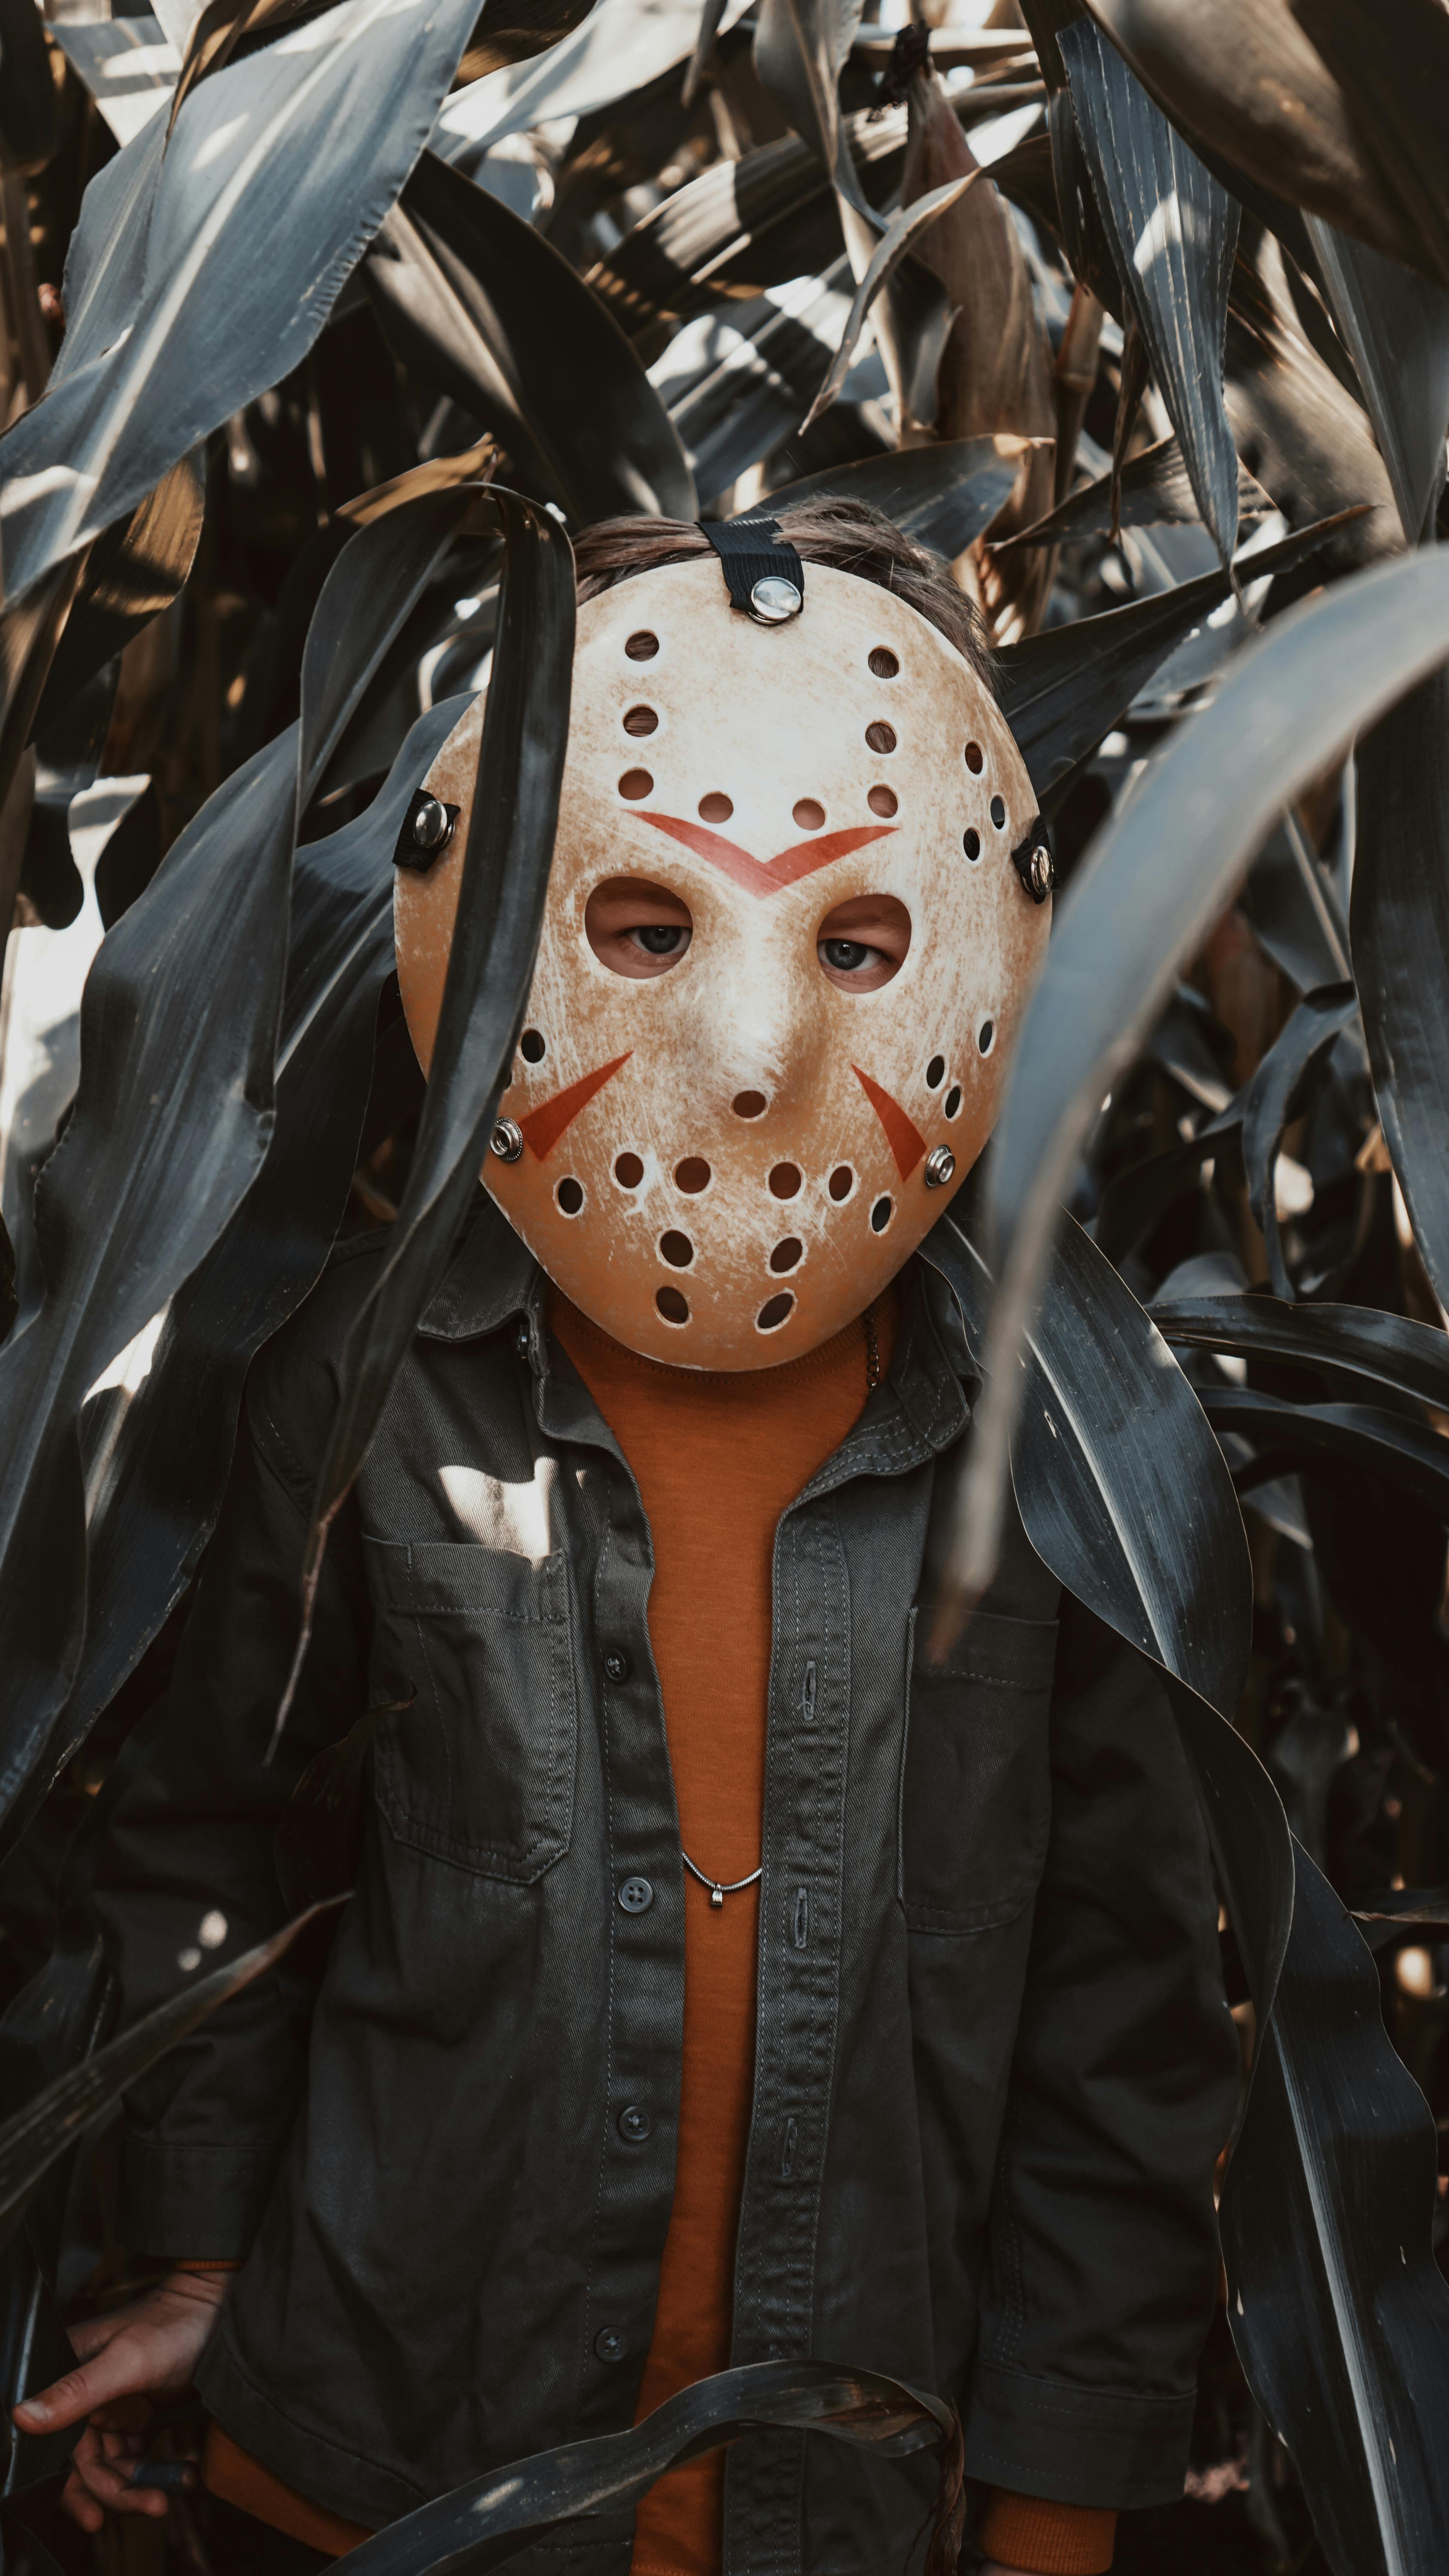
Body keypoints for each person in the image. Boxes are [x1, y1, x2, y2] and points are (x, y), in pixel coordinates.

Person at [15, 501, 1238, 2576]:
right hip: (376, 2490)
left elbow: (1123, 2009)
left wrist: (1051, 2506)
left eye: (857, 947)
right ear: (495, 913)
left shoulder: (1069, 1456)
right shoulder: (364, 1387)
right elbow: (214, 1846)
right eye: (645, 930)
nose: (752, 1059)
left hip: (833, 2513)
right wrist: (202, 2256)